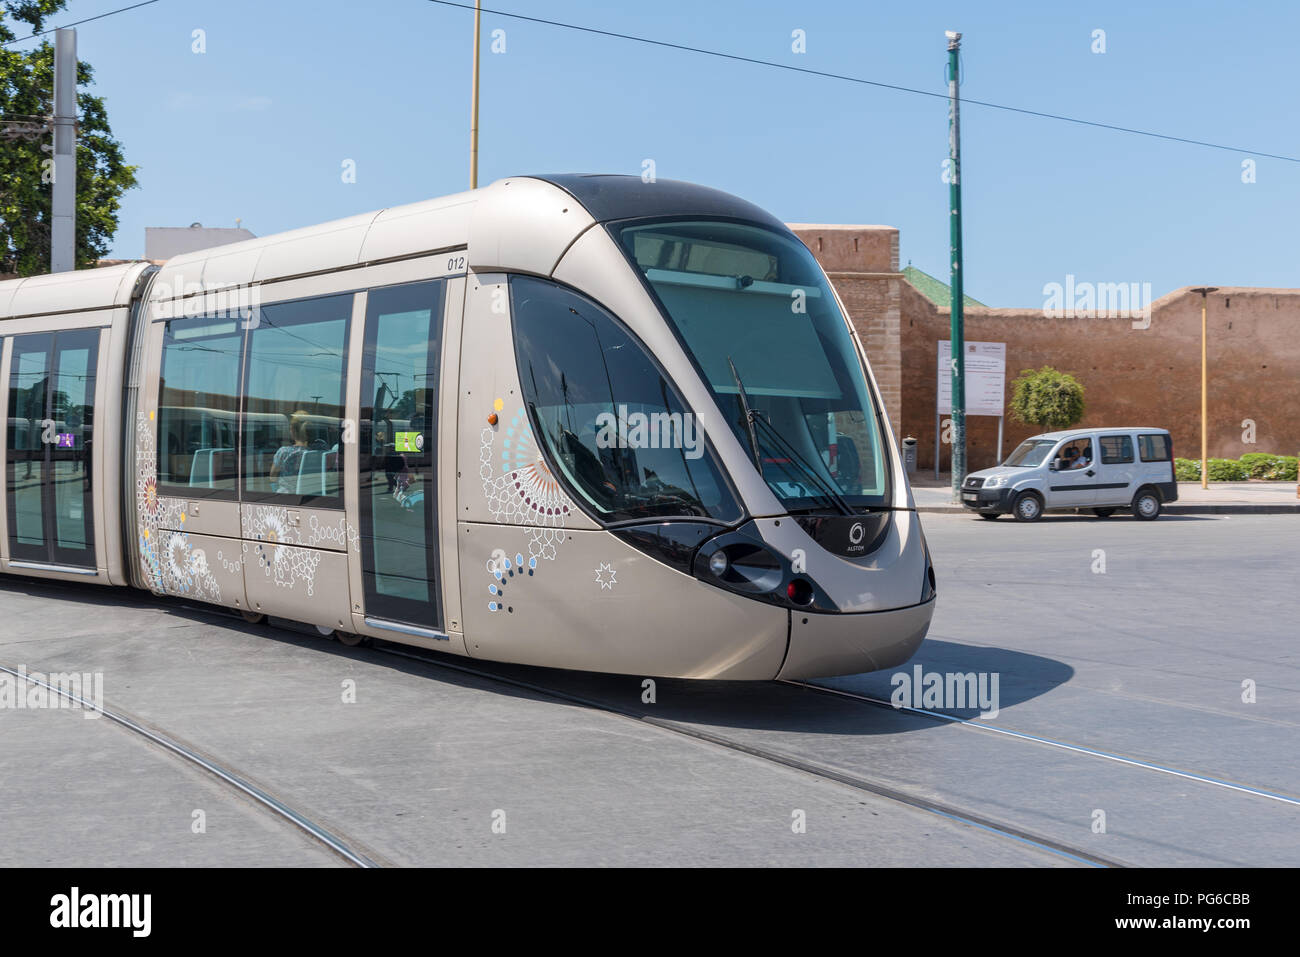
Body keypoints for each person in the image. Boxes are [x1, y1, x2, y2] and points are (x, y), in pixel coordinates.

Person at [269, 411, 311, 494]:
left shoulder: (283, 452)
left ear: (292, 430)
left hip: (285, 496)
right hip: (310, 494)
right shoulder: (315, 451)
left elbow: (272, 477)